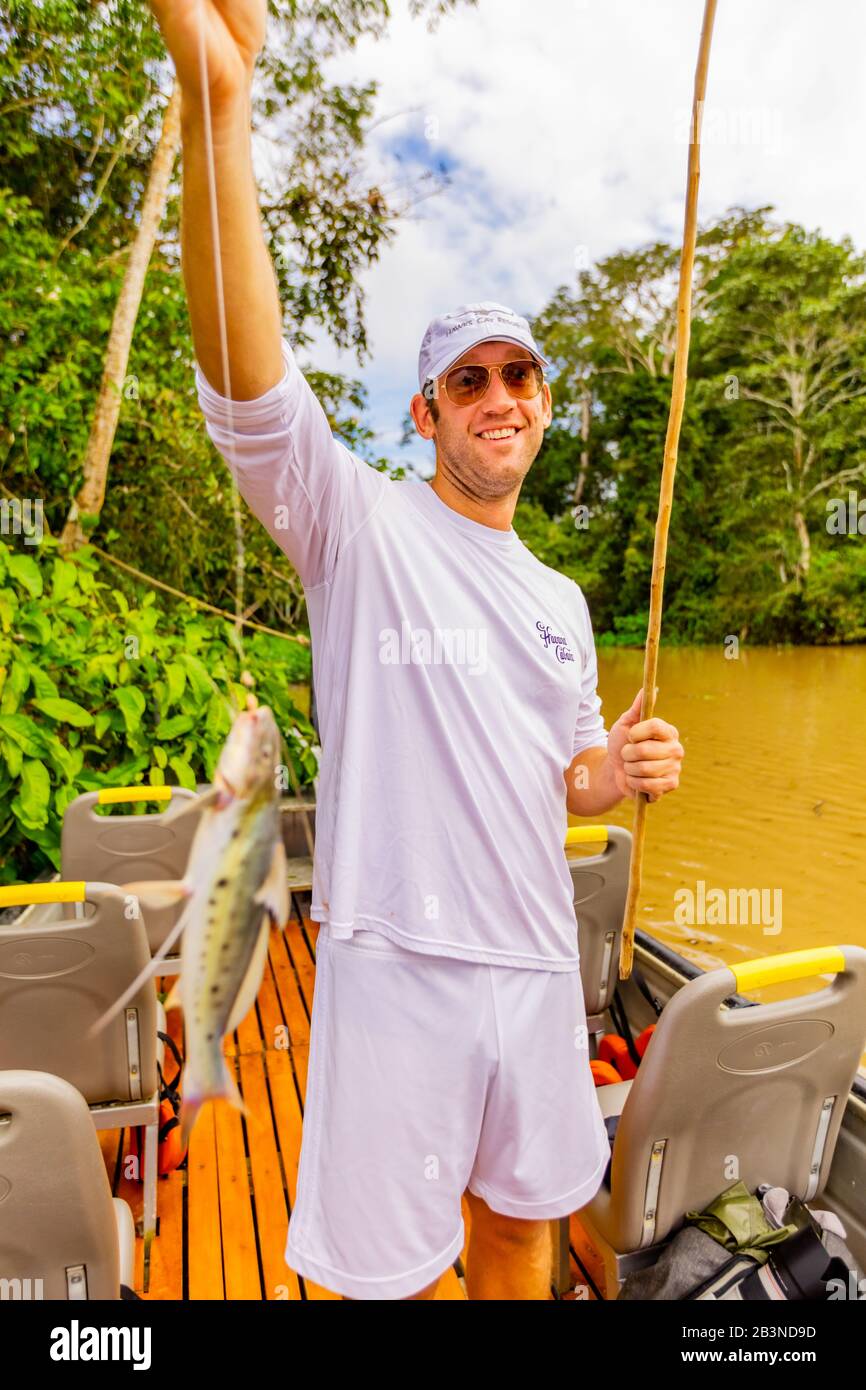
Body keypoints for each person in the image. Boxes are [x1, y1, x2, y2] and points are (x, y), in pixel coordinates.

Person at [152, 0, 685, 1300]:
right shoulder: (358, 527)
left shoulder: (560, 599)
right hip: (396, 971)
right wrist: (222, 110)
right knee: (372, 1276)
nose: (499, 397)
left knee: (521, 1241)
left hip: (533, 960)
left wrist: (611, 770)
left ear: (542, 406)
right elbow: (247, 387)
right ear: (424, 409)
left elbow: (564, 776)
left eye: (521, 377)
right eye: (470, 380)